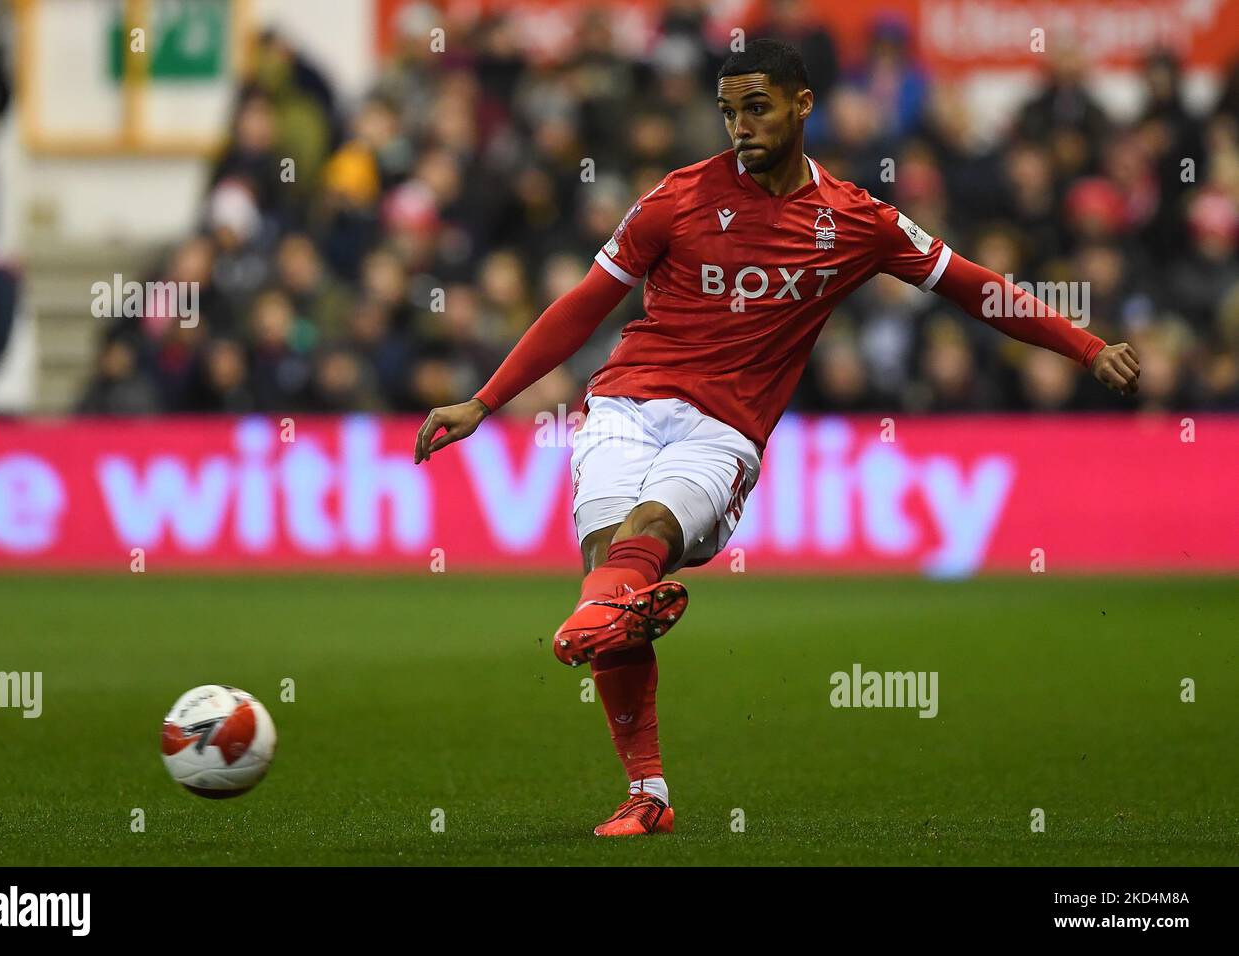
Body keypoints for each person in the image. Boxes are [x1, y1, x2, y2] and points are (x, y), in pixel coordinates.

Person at [412, 39, 1141, 838]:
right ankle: (648, 793)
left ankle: (604, 619)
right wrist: (485, 400)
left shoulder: (857, 221)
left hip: (723, 429)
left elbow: (975, 287)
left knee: (641, 541)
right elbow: (586, 304)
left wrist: (1086, 345)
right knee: (612, 574)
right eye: (727, 111)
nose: (739, 127)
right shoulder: (676, 198)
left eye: (755, 107)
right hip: (622, 404)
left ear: (802, 104)